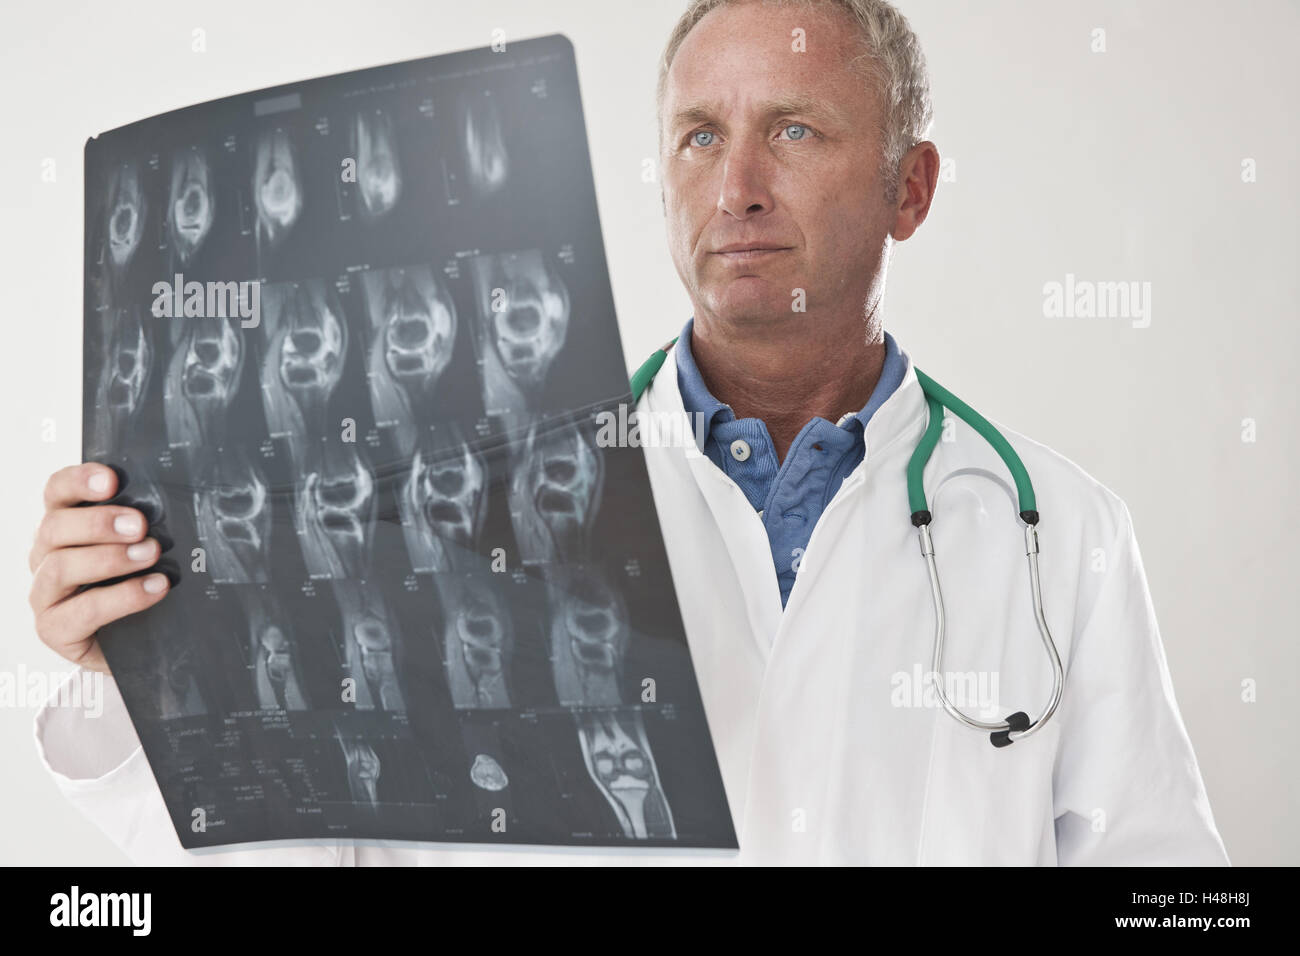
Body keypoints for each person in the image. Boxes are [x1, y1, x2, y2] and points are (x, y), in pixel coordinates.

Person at [28, 0, 1229, 865]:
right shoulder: (460, 497)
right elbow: (306, 852)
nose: (737, 185)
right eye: (700, 136)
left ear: (909, 187)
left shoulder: (1055, 534)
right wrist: (130, 673)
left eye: (797, 131)